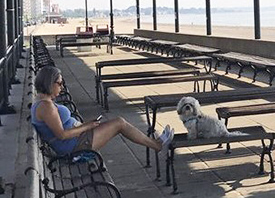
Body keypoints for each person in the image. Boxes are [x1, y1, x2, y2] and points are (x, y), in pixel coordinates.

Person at [31, 65, 173, 156]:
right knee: (119, 123)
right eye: (60, 83)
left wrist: (85, 125)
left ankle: (156, 143)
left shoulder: (43, 102)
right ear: (50, 83)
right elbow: (61, 135)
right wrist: (87, 126)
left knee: (117, 123)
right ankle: (156, 145)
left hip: (77, 139)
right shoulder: (46, 106)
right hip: (74, 147)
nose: (61, 87)